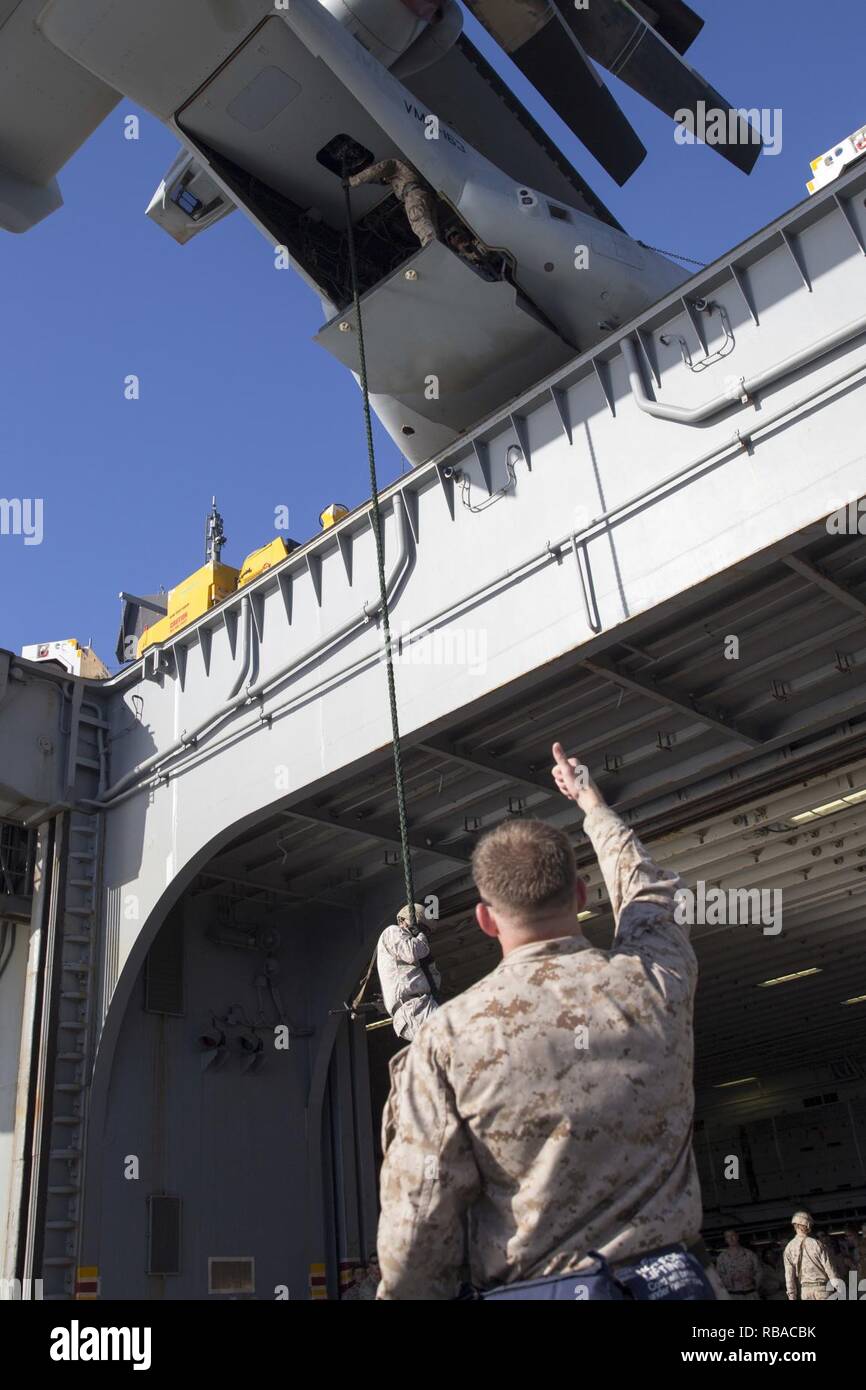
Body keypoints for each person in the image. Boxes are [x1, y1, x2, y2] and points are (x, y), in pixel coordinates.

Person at [374, 742, 721, 1300]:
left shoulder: (449, 1039)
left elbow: (418, 1223)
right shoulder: (655, 983)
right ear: (580, 895)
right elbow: (649, 892)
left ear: (486, 920)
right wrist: (591, 803)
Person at [376, 902, 440, 1042]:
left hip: (422, 1005)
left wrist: (428, 962)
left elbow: (435, 982)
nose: (424, 934)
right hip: (412, 1008)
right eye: (421, 927)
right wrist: (421, 937)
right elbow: (411, 951)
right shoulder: (392, 932)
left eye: (427, 931)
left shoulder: (419, 951)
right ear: (404, 921)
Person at [348, 159, 438, 248]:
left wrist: (352, 181)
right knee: (433, 227)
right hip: (424, 194)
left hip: (413, 195)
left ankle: (433, 248)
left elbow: (375, 170)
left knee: (419, 221)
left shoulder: (393, 164)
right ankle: (439, 247)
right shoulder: (399, 175)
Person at [784, 1211, 837, 1300]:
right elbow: (830, 1268)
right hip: (822, 1289)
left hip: (805, 1291)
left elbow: (789, 1276)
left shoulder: (789, 1248)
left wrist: (792, 1296)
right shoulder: (817, 1244)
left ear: (795, 1225)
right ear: (808, 1225)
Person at [715, 1230, 761, 1299]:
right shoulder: (721, 1258)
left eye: (732, 1235)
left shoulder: (750, 1254)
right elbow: (718, 1277)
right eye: (727, 1237)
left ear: (737, 1237)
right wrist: (730, 1279)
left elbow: (759, 1271)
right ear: (725, 1240)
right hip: (733, 1295)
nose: (731, 1239)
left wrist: (753, 1280)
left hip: (751, 1294)